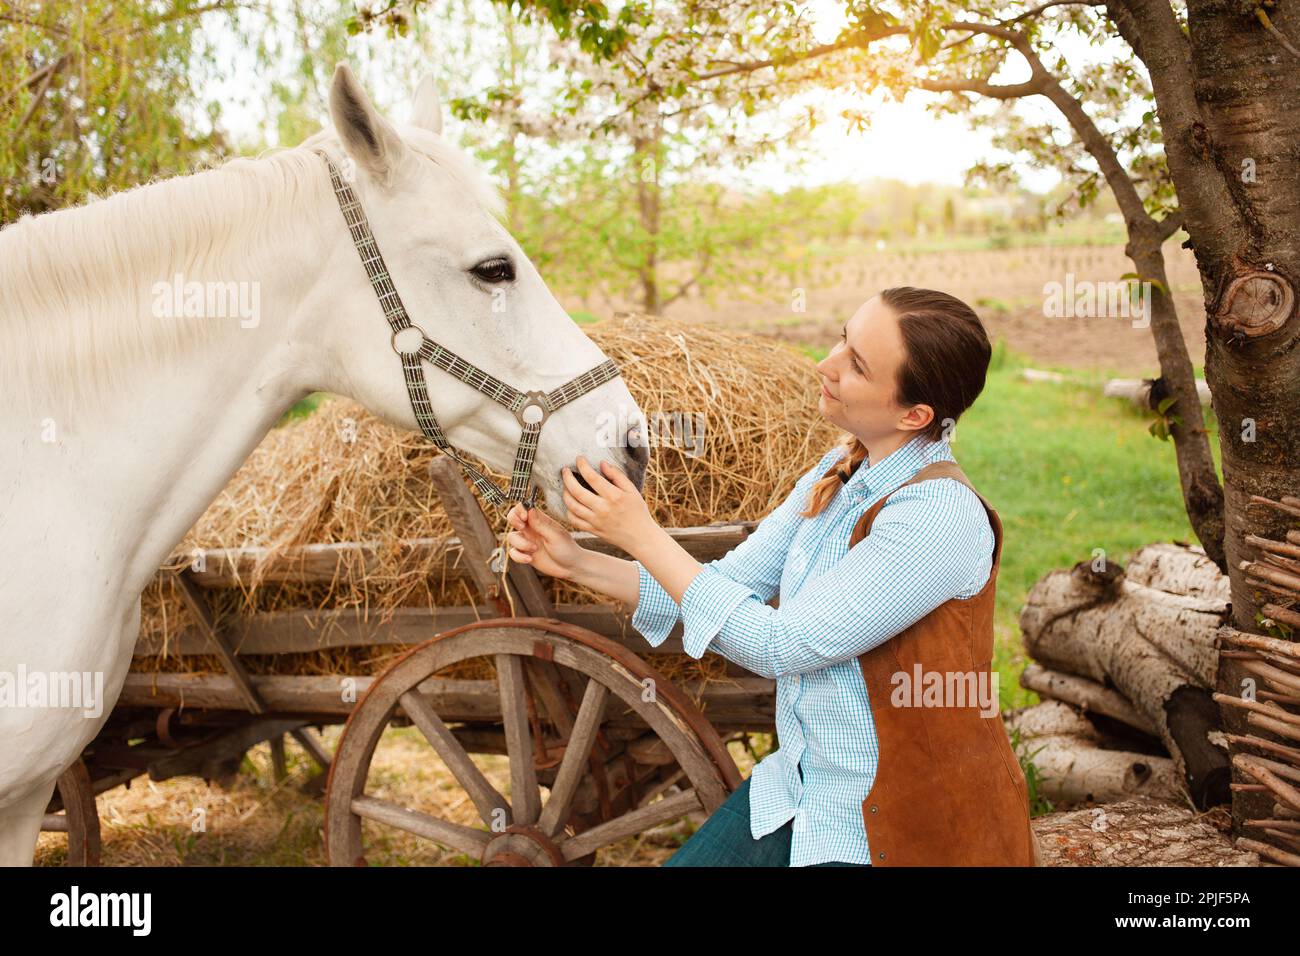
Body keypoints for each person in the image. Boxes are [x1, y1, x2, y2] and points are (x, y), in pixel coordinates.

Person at [505, 286, 1036, 867]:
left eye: (856, 365)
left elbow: (782, 644)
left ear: (914, 415)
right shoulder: (841, 471)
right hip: (800, 791)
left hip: (897, 830)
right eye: (842, 339)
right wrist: (578, 561)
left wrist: (642, 532)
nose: (825, 365)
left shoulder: (936, 516)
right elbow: (725, 585)